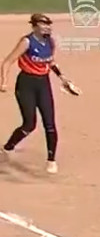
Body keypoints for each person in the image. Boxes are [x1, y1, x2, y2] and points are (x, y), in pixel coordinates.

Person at [0, 14, 78, 174]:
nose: (48, 27)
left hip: (43, 83)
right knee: (29, 124)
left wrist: (62, 78)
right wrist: (4, 81)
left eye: (49, 24)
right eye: (44, 24)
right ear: (34, 26)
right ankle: (7, 148)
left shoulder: (50, 41)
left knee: (50, 123)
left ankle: (51, 160)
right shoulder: (27, 42)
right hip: (26, 84)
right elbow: (7, 61)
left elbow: (50, 61)